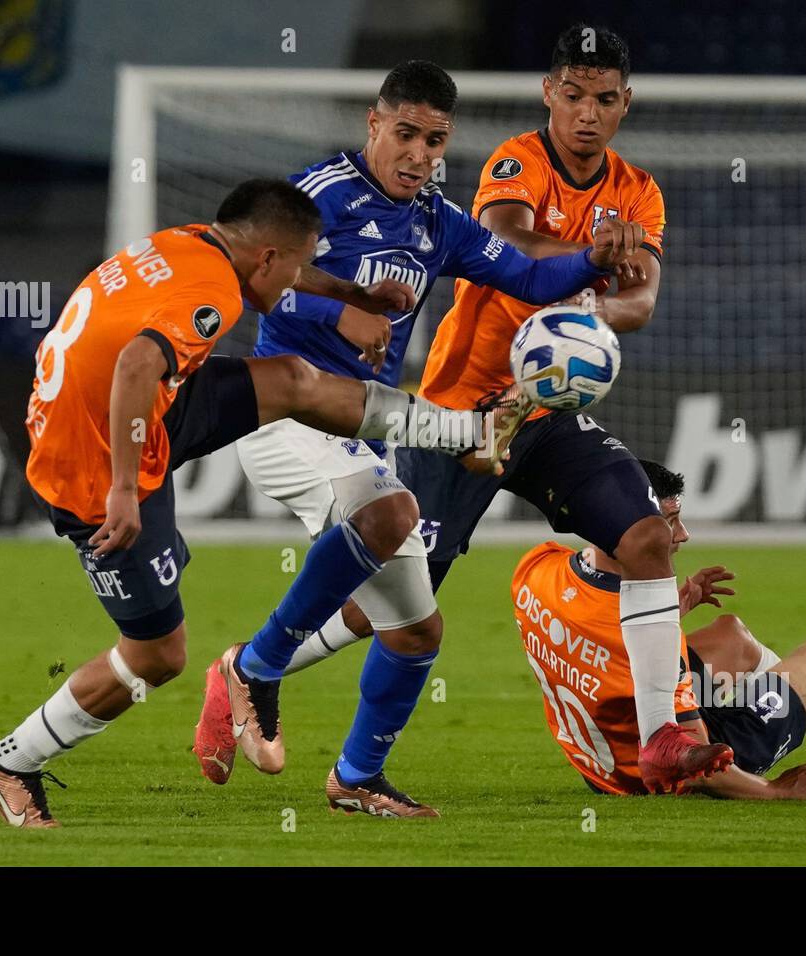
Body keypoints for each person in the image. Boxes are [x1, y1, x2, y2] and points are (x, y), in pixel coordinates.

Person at [0, 179, 521, 828]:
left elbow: (171, 335)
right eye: (299, 264)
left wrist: (350, 294)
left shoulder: (194, 243)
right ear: (266, 259)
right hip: (93, 461)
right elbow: (137, 367)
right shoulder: (210, 294)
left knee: (292, 380)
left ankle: (461, 432)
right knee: (158, 655)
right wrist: (122, 490)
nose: (300, 279)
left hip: (133, 413)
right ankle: (10, 760)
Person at [196, 60, 645, 817]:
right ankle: (257, 669)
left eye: (434, 140)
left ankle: (354, 778)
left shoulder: (436, 220)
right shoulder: (320, 195)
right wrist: (342, 313)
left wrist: (590, 263)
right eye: (404, 134)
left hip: (365, 425)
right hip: (286, 413)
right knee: (389, 516)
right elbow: (250, 272)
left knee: (414, 629)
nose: (418, 155)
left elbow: (526, 279)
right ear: (374, 124)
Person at [280, 25, 715, 797]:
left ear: (624, 104)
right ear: (550, 93)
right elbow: (510, 245)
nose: (587, 113)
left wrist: (593, 315)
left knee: (646, 533)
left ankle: (661, 741)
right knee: (398, 604)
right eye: (573, 94)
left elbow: (641, 299)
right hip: (459, 413)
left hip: (542, 409)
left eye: (604, 99)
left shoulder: (638, 191)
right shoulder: (517, 161)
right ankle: (252, 669)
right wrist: (592, 267)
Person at [510, 460, 806, 799]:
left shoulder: (537, 568)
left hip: (603, 765)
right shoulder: (628, 638)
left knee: (729, 636)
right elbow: (694, 764)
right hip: (663, 773)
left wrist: (666, 611)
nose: (681, 536)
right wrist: (775, 791)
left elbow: (598, 643)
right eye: (669, 523)